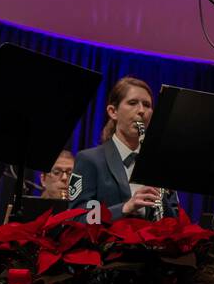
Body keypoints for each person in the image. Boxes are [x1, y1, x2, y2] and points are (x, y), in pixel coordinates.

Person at [69, 77, 169, 219]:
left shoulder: (157, 164)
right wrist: (124, 208)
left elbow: (173, 219)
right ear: (112, 111)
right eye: (133, 103)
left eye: (147, 105)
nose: (141, 110)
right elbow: (78, 218)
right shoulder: (89, 160)